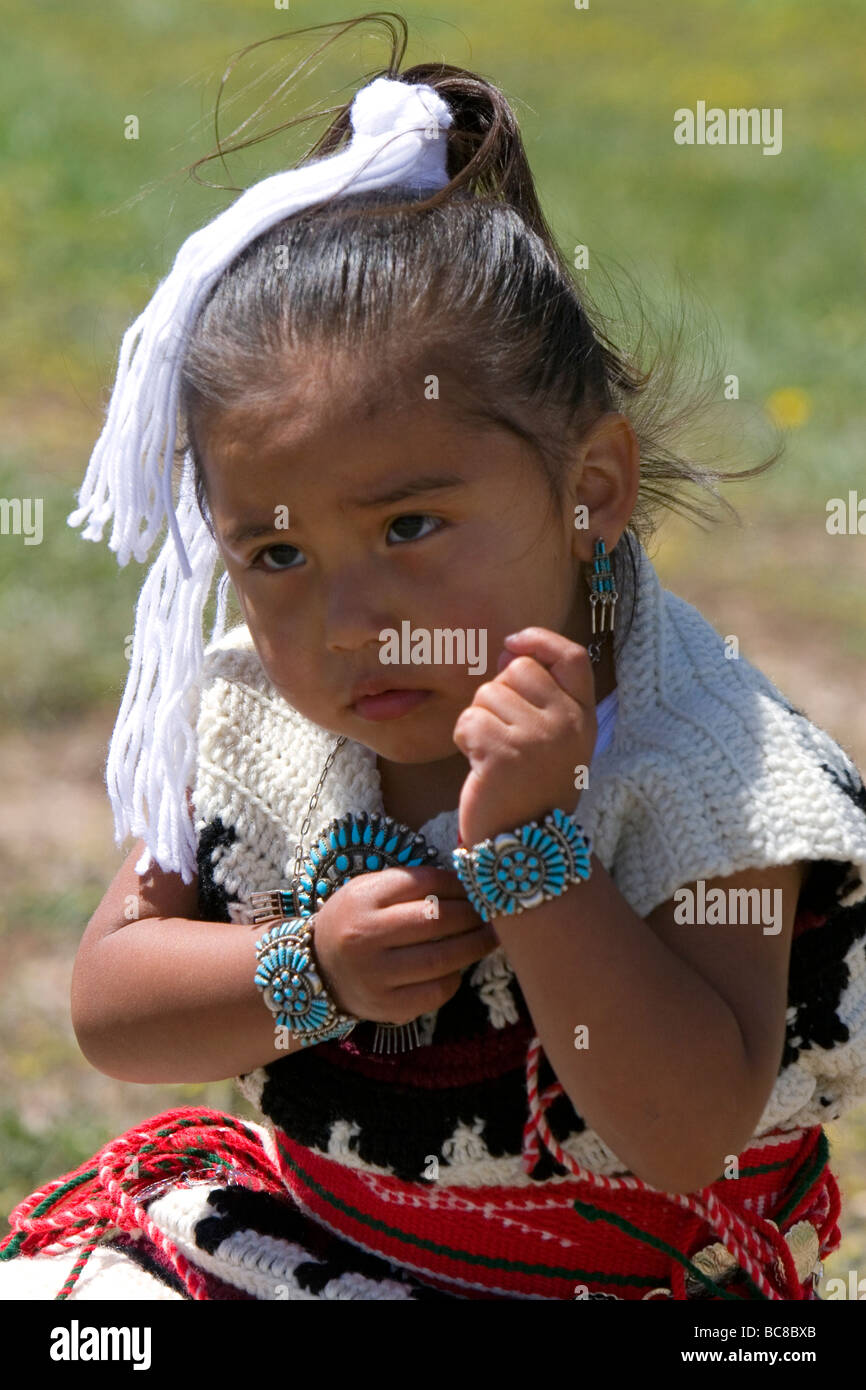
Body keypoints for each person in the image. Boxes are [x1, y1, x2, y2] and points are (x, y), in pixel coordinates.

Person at [3, 23, 866, 1302]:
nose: (349, 618)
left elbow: (684, 1131)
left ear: (592, 490)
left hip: (622, 1285)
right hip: (314, 1245)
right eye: (277, 556)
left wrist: (532, 859)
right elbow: (116, 1004)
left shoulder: (710, 770)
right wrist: (309, 969)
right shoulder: (255, 716)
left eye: (409, 527)